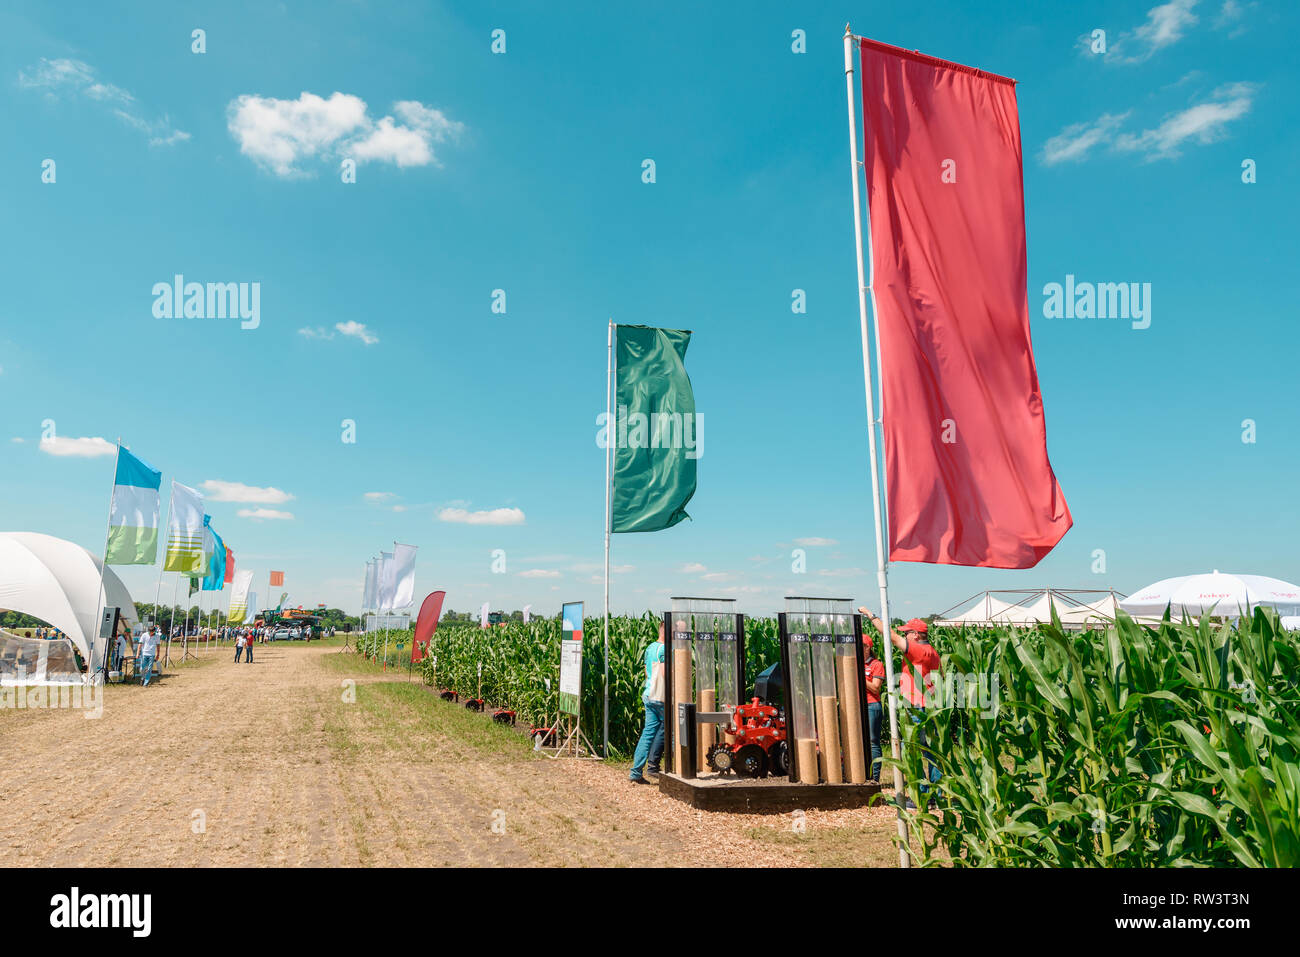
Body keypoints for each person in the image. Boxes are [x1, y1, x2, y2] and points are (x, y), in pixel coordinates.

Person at [859, 608, 942, 799]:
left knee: (910, 752)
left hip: (917, 707)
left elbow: (890, 636)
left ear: (915, 635)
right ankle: (938, 794)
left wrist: (871, 616)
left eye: (907, 633)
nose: (904, 635)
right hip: (932, 706)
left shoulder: (918, 650)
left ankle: (921, 796)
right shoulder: (934, 653)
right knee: (931, 752)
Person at [629, 620, 666, 784]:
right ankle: (669, 769)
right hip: (660, 696)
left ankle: (636, 772)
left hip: (649, 693)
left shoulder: (650, 647)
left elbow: (646, 671)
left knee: (648, 734)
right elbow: (665, 673)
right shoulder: (663, 649)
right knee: (673, 731)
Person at [862, 634, 886, 782]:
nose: (860, 649)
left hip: (872, 706)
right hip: (857, 707)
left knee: (872, 741)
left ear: (869, 647)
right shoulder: (854, 662)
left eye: (863, 646)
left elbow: (876, 688)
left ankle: (874, 778)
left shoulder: (876, 665)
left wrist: (859, 674)